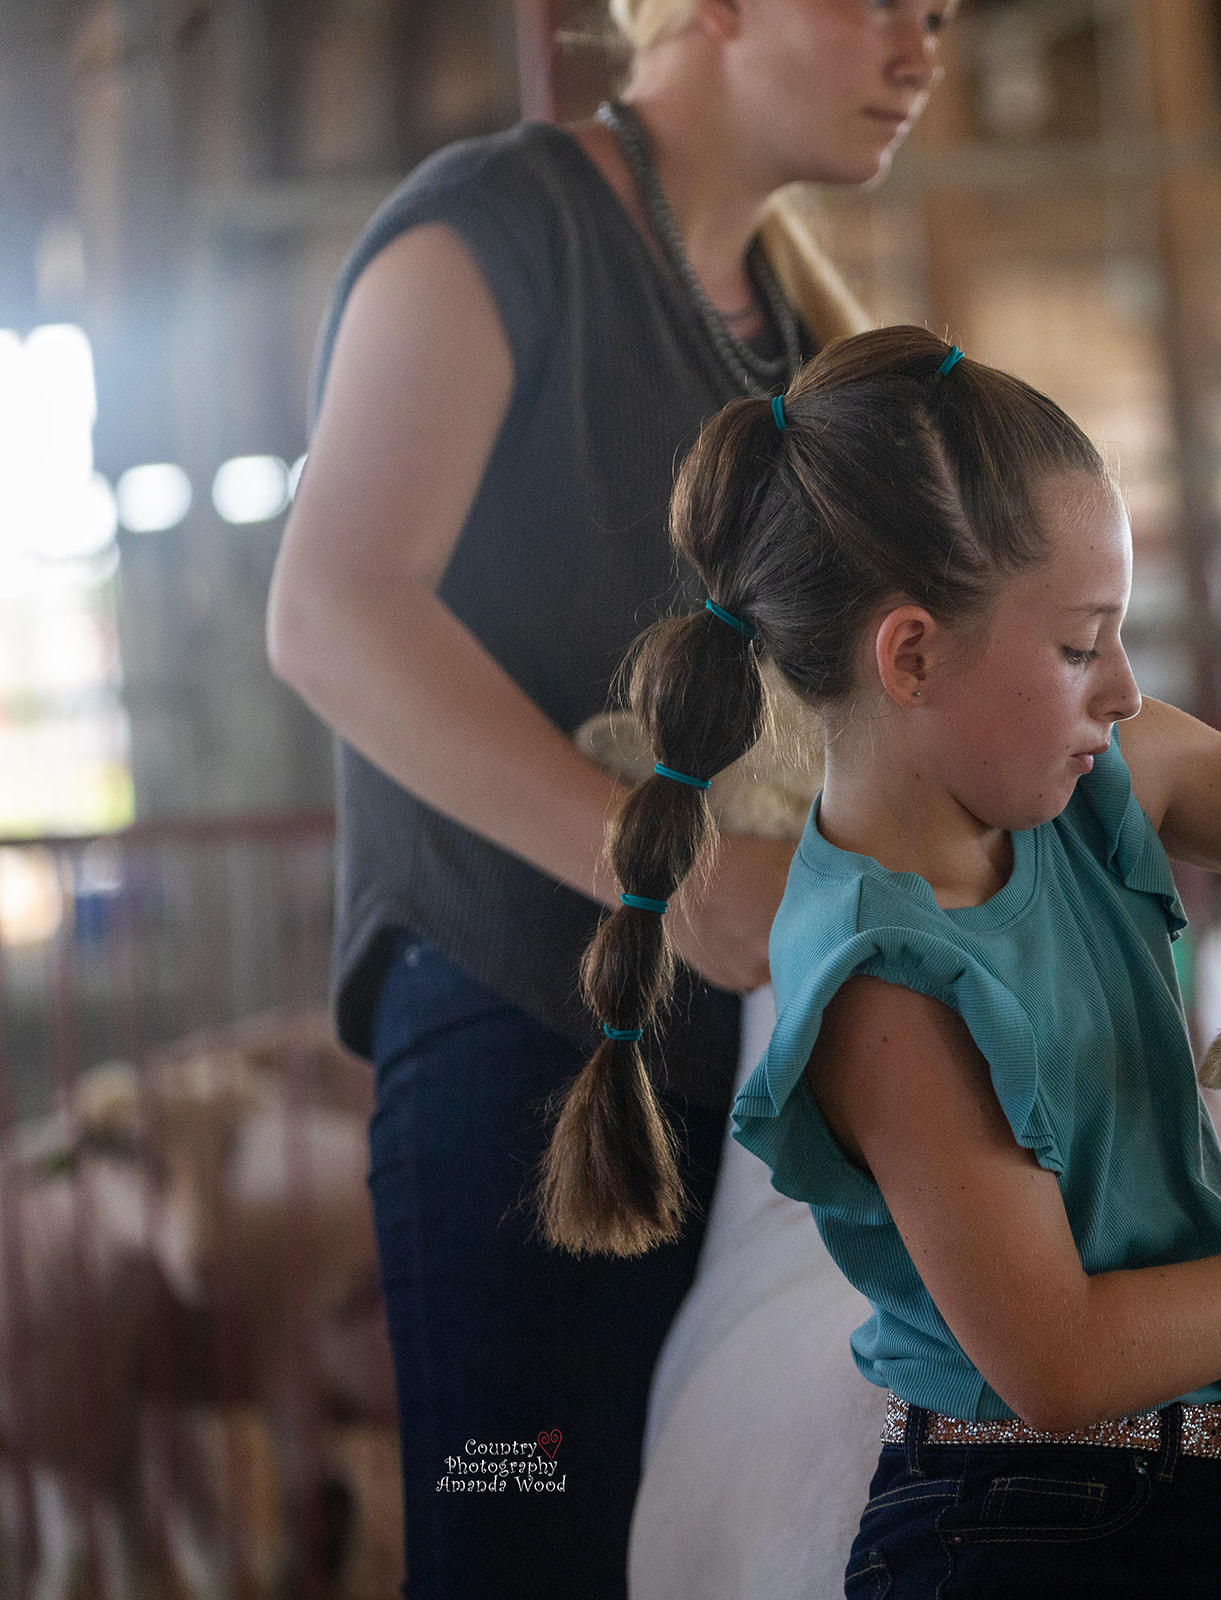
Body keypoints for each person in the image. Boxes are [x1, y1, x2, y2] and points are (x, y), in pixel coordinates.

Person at [539, 326, 1221, 1598]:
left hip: (1213, 1501)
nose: (1123, 687)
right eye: (1082, 644)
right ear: (911, 656)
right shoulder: (882, 977)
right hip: (1022, 1539)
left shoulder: (1097, 781)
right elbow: (1056, 1358)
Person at [264, 1, 944, 1592]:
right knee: (524, 1530)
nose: (923, 48)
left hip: (771, 1078)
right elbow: (331, 609)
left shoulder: (810, 329)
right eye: (885, 3)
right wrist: (676, 877)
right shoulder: (500, 227)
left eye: (941, 13)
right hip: (532, 1060)